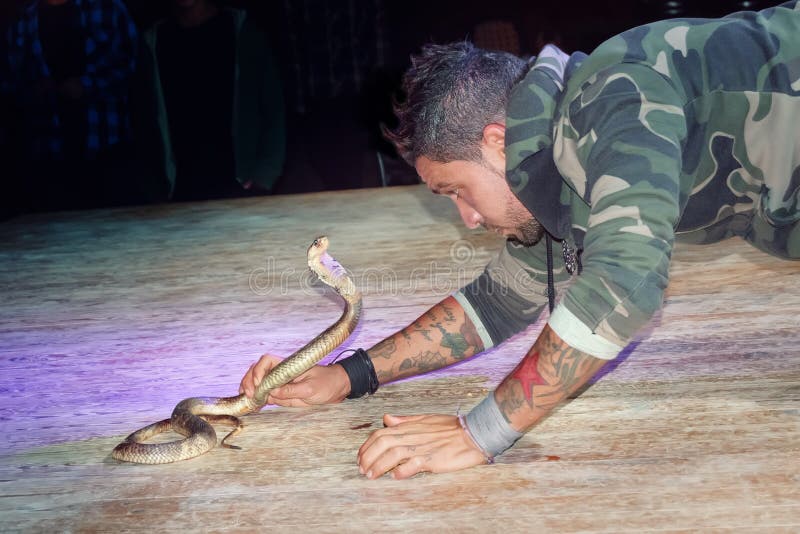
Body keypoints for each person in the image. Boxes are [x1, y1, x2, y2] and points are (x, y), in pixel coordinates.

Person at [240, 1, 800, 479]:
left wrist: (478, 433)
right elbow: (498, 299)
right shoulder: (555, 156)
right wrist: (345, 376)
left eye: (456, 190)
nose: (468, 219)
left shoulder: (614, 98)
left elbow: (625, 285)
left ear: (496, 141)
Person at [137, 0, 285, 202]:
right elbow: (144, 123)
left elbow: (274, 109)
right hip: (179, 194)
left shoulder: (242, 30)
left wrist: (264, 175)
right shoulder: (153, 41)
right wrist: (155, 188)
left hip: (241, 188)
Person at [3, 0, 138, 212]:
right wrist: (35, 91)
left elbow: (132, 64)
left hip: (108, 149)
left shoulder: (108, 8)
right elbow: (11, 84)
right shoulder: (24, 20)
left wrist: (87, 85)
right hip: (51, 159)